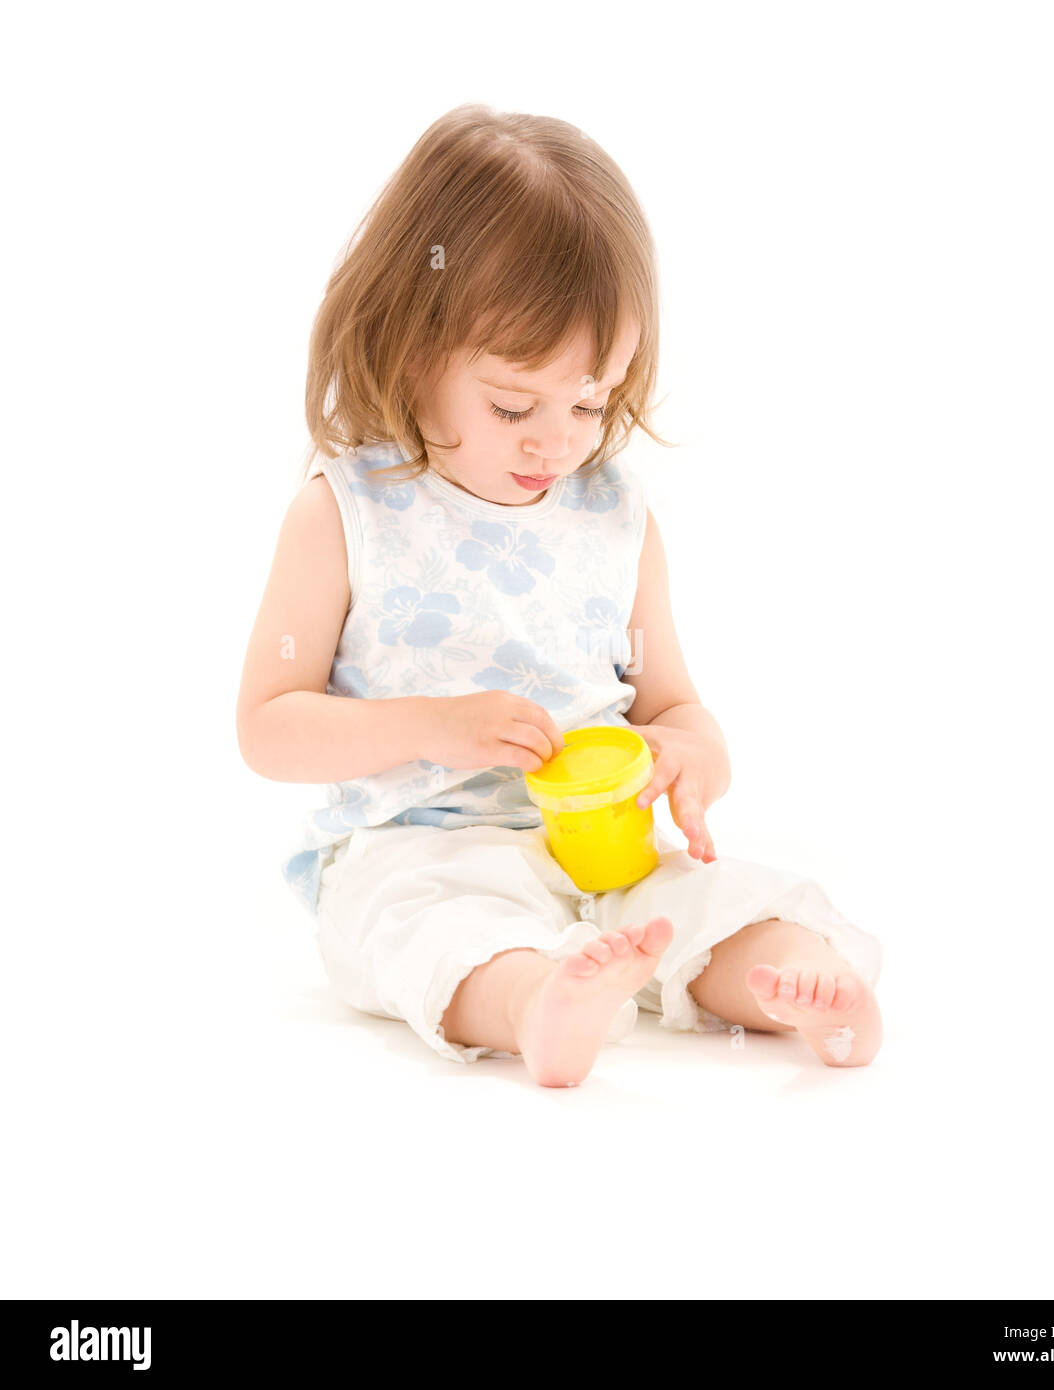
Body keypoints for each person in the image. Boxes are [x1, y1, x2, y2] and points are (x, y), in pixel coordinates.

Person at [235, 104, 883, 1087]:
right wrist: (432, 725)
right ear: (410, 349)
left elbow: (673, 703)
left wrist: (687, 754)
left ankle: (801, 982)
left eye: (589, 402)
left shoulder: (615, 519)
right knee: (428, 931)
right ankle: (538, 1002)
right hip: (419, 847)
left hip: (606, 849)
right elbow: (269, 726)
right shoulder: (346, 515)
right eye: (512, 404)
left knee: (701, 903)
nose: (557, 441)